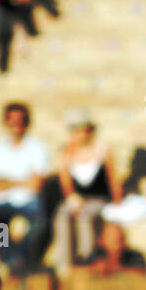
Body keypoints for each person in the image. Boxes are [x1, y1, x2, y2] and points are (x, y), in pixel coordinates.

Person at [0, 102, 51, 275]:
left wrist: (6, 181)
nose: (17, 126)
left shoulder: (37, 147)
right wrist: (22, 181)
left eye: (21, 121)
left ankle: (23, 258)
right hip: (2, 203)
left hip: (28, 201)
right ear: (6, 123)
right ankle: (8, 259)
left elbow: (36, 184)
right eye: (12, 121)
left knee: (38, 225)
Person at [50, 109, 121, 275]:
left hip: (99, 200)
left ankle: (86, 257)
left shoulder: (103, 152)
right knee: (62, 216)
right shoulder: (67, 152)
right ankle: (65, 264)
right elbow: (65, 180)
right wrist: (72, 197)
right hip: (79, 200)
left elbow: (113, 179)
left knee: (85, 217)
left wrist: (118, 204)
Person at [75, 221, 146, 275]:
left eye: (120, 239)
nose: (117, 245)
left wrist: (112, 269)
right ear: (101, 241)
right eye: (112, 240)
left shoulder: (135, 256)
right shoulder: (96, 255)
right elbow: (80, 270)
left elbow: (140, 274)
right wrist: (94, 269)